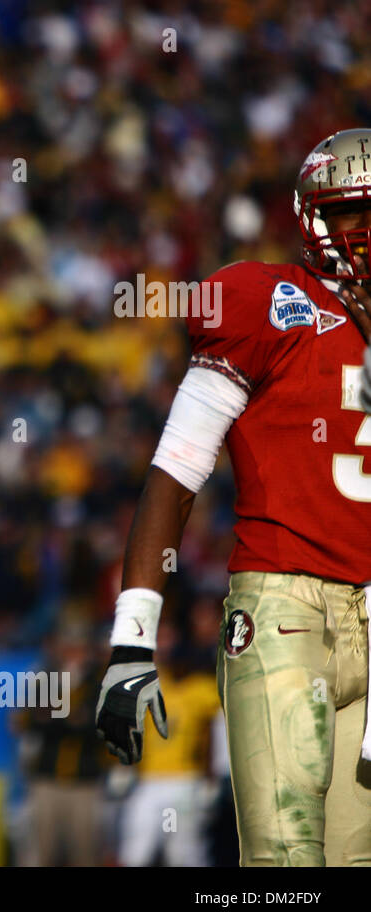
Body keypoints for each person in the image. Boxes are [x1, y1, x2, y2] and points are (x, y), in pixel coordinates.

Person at [96, 128, 371, 865]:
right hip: (286, 607)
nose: (370, 234)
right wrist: (132, 637)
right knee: (284, 863)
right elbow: (176, 471)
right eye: (356, 215)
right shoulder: (272, 302)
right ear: (315, 220)